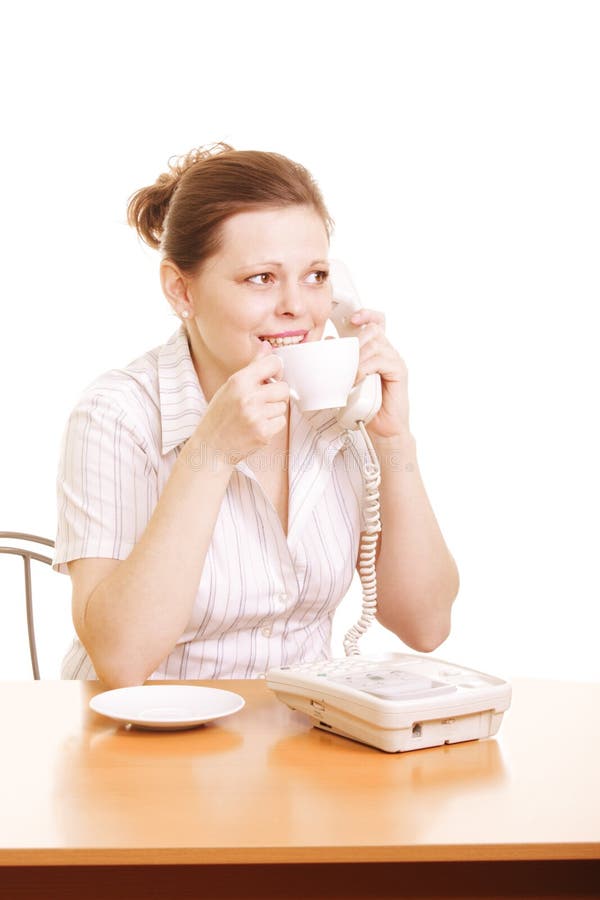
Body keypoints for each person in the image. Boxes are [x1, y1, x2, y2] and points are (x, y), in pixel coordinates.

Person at [53, 142, 459, 688]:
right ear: (181, 290)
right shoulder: (116, 414)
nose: (299, 306)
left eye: (315, 275)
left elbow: (426, 624)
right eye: (261, 278)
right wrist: (211, 453)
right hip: (144, 746)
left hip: (298, 741)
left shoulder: (337, 407)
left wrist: (392, 439)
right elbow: (122, 662)